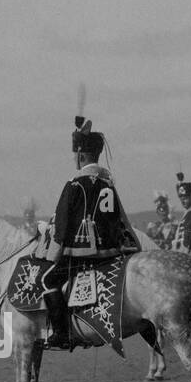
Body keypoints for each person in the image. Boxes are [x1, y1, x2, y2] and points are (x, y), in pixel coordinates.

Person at [42, 114, 139, 349]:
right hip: (111, 251)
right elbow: (121, 219)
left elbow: (63, 227)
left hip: (83, 254)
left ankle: (62, 335)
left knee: (48, 280)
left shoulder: (75, 183)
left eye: (75, 154)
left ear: (81, 155)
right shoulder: (107, 184)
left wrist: (51, 257)